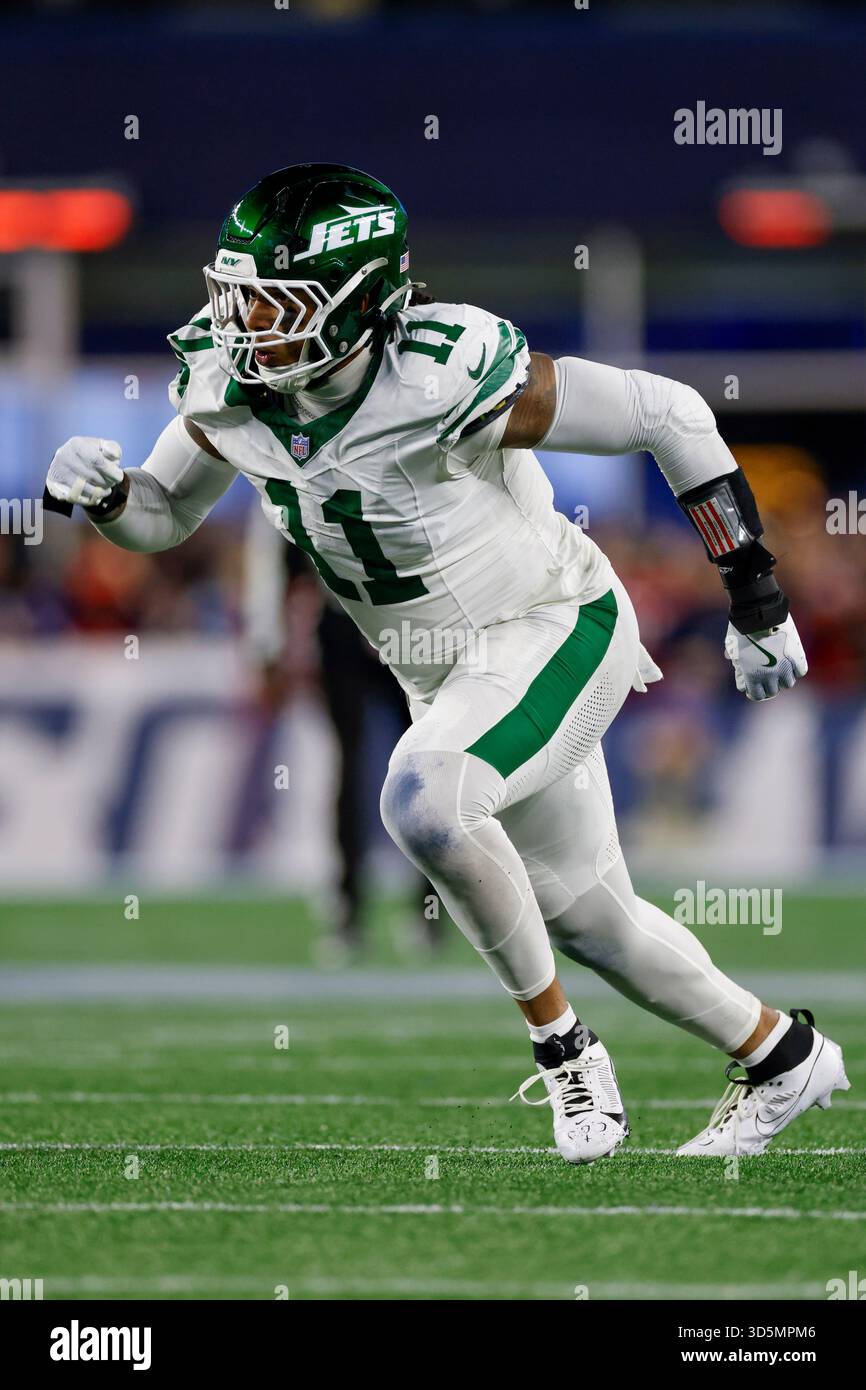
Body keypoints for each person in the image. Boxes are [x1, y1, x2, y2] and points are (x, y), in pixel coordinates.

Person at [45, 163, 847, 1163]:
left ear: (359, 302)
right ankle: (780, 1054)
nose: (245, 320)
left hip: (553, 622)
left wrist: (754, 593)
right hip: (442, 671)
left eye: (275, 301)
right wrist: (112, 499)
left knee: (422, 799)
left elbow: (666, 413)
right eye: (236, 292)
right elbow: (165, 514)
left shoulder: (441, 368)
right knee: (588, 916)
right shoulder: (228, 381)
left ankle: (563, 1053)